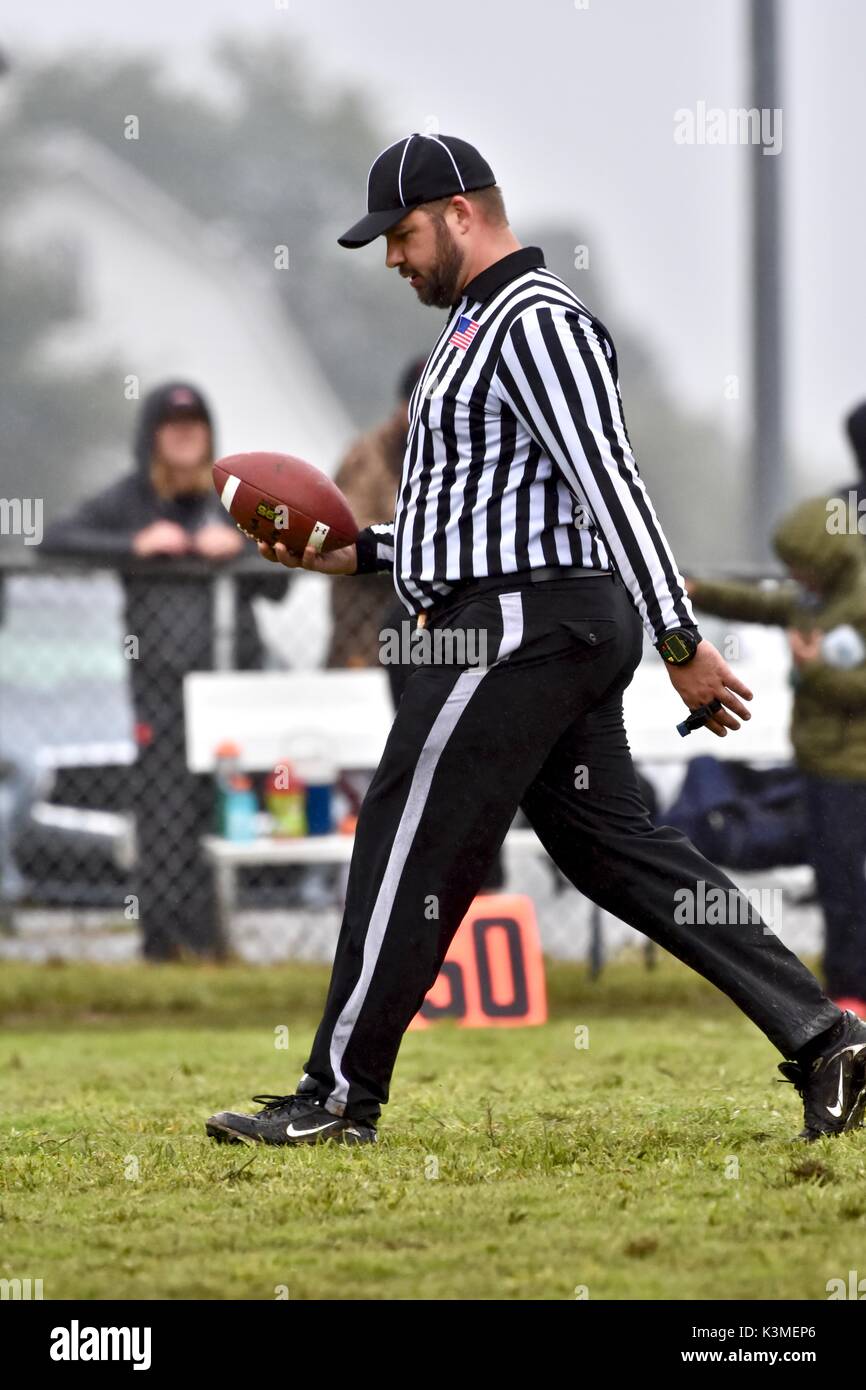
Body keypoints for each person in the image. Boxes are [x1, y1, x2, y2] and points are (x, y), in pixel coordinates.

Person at [206, 133, 866, 1147]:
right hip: (530, 615)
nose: (392, 258)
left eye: (403, 233)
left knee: (401, 834)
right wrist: (362, 553)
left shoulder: (532, 320)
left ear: (463, 212)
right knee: (614, 851)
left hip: (519, 625)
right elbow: (477, 516)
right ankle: (826, 1040)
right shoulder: (471, 330)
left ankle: (335, 1100)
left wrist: (680, 636)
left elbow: (610, 483)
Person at [42, 382, 288, 959]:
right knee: (165, 812)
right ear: (151, 437)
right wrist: (136, 544)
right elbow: (56, 540)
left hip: (233, 688)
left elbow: (285, 571)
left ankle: (216, 940)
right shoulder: (130, 500)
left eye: (195, 426)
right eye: (173, 426)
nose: (184, 435)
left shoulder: (235, 497)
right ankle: (164, 945)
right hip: (161, 687)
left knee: (232, 810)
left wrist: (241, 547)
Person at [684, 496, 866, 1015]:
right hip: (820, 766)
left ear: (825, 560)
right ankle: (847, 986)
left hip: (852, 771)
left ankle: (854, 989)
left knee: (846, 885)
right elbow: (762, 605)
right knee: (835, 881)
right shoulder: (817, 598)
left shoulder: (859, 601)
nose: (795, 577)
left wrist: (816, 671)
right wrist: (695, 593)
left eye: (800, 567)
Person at [327, 358, 425, 668]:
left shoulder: (459, 455)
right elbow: (347, 530)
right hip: (366, 639)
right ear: (404, 406)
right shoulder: (365, 458)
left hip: (431, 640)